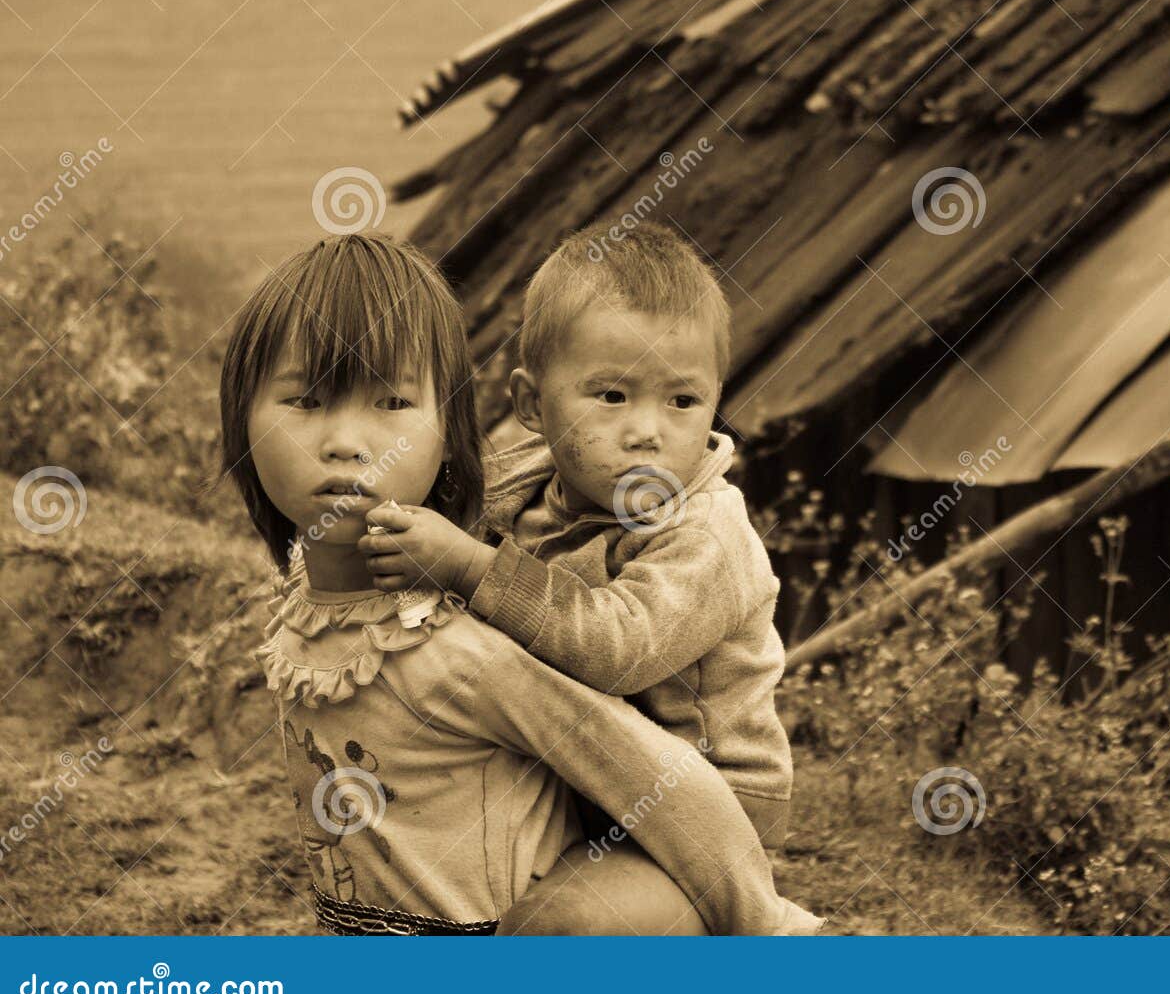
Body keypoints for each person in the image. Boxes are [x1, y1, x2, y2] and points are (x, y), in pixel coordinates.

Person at [222, 231, 819, 935]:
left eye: (684, 401)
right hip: (577, 772)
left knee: (555, 928)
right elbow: (459, 509)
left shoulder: (708, 532)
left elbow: (615, 647)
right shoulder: (533, 482)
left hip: (700, 790)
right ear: (532, 406)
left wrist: (469, 567)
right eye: (612, 395)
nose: (647, 433)